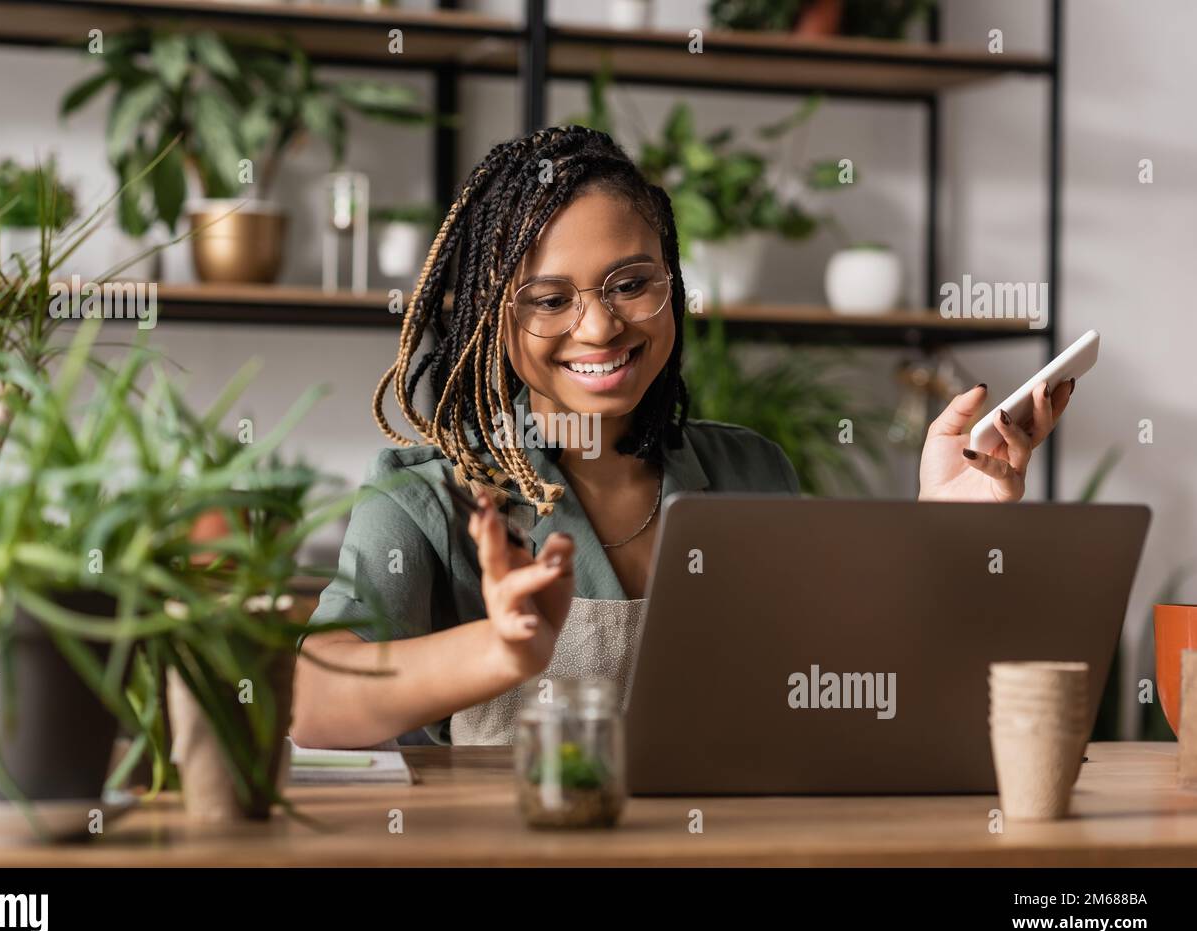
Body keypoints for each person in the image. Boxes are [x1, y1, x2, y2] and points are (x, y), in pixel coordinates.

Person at [291, 126, 1073, 748]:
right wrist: (499, 651)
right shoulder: (420, 497)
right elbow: (316, 702)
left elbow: (845, 698)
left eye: (631, 283)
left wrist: (944, 531)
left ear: (674, 287)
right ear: (493, 322)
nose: (599, 324)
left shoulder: (750, 472)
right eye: (549, 298)